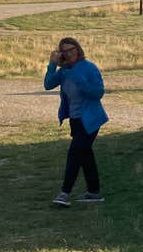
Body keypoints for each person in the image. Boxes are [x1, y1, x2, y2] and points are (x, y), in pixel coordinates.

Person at [44, 37, 108, 207]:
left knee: (75, 154)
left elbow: (97, 93)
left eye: (71, 49)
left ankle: (64, 193)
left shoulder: (89, 68)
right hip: (75, 120)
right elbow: (48, 85)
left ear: (78, 49)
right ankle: (94, 192)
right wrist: (52, 64)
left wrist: (78, 78)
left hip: (91, 119)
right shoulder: (64, 71)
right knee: (85, 155)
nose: (69, 53)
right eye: (64, 51)